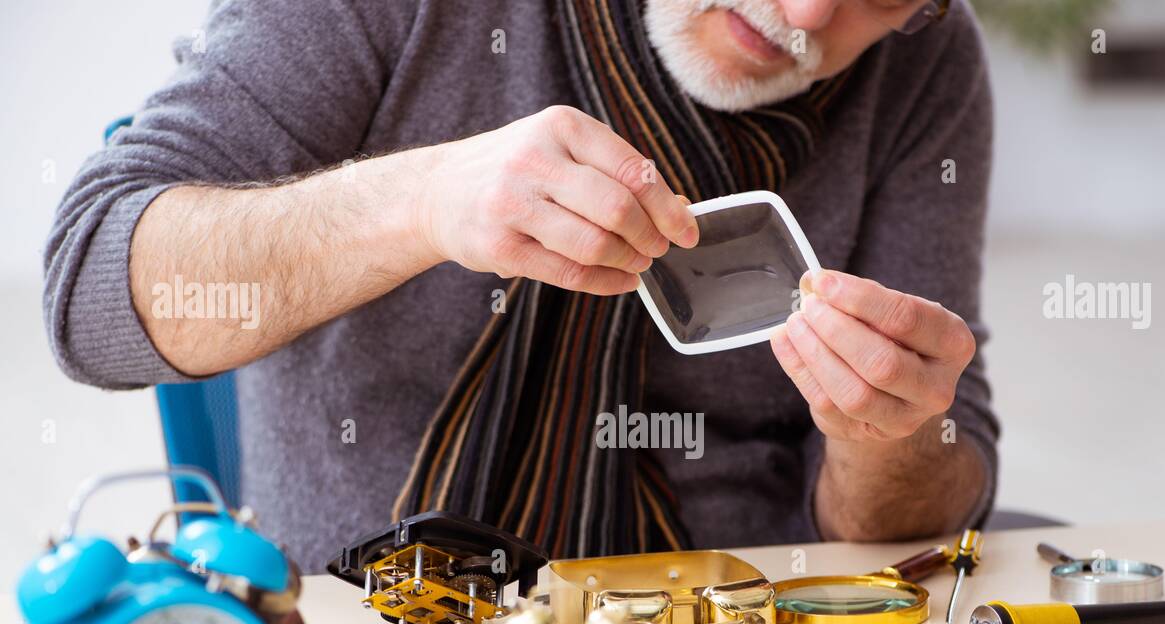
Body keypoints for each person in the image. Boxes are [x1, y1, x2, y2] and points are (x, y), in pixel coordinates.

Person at [45, 0, 998, 571]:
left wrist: (891, 430)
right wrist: (421, 201)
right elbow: (91, 292)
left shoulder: (926, 63)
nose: (806, 15)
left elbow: (922, 507)